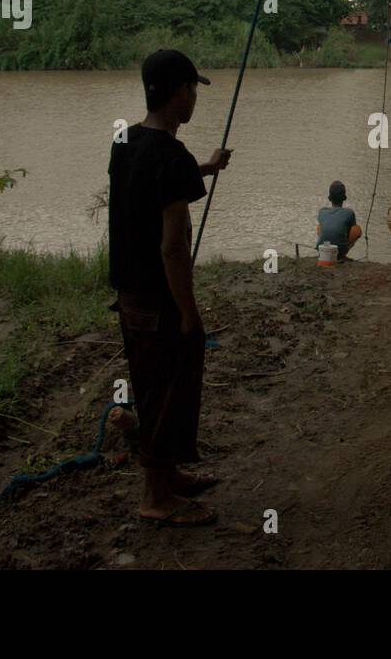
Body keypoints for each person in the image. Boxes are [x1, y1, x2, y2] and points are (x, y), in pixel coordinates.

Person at [107, 49, 232, 527]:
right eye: (193, 89)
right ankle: (154, 497)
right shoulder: (171, 156)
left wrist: (205, 167)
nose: (194, 97)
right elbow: (172, 248)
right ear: (181, 93)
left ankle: (169, 474)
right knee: (167, 392)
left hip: (128, 296)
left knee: (150, 385)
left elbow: (149, 182)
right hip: (159, 300)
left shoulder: (126, 141)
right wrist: (188, 312)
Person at [316, 180, 361, 261]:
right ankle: (343, 254)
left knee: (320, 226)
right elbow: (351, 231)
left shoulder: (322, 211)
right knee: (357, 229)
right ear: (344, 198)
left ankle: (324, 249)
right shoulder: (349, 213)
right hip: (339, 251)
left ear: (329, 198)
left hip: (322, 250)